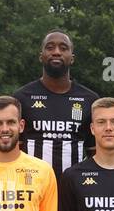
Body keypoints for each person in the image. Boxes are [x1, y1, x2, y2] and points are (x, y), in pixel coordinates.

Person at [14, 31, 97, 181]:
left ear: (72, 58)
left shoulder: (89, 100)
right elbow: (13, 151)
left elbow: (97, 153)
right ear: (41, 56)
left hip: (73, 189)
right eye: (50, 47)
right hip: (31, 186)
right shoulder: (21, 98)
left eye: (63, 48)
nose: (56, 52)